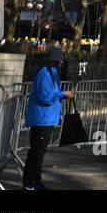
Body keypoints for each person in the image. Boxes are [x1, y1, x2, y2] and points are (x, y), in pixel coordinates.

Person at [24, 48, 74, 190]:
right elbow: (44, 97)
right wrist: (62, 94)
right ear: (56, 61)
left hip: (46, 118)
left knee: (39, 152)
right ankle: (30, 183)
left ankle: (35, 181)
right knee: (37, 152)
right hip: (42, 119)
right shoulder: (45, 74)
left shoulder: (51, 72)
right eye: (60, 62)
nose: (61, 65)